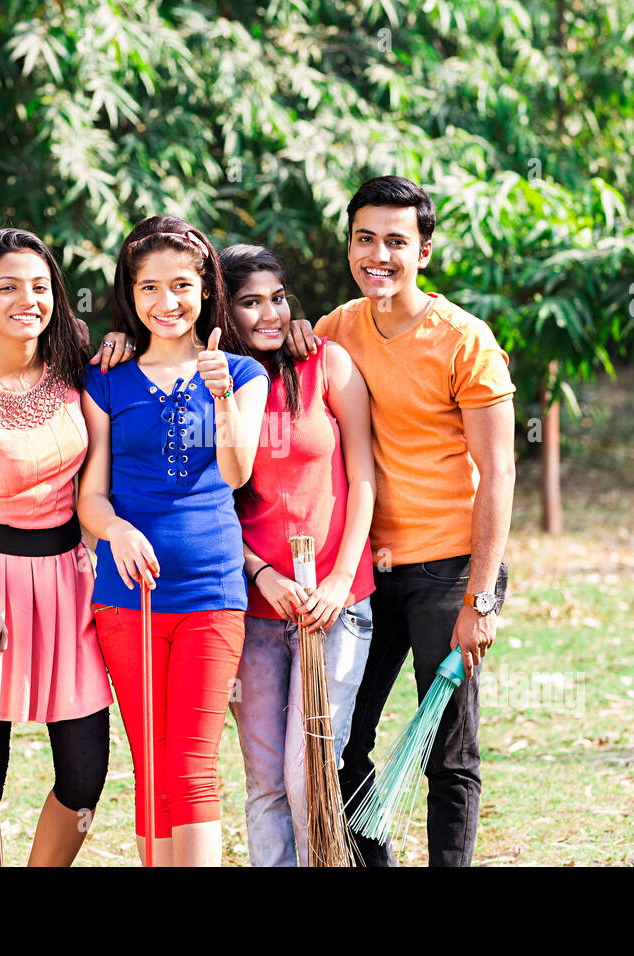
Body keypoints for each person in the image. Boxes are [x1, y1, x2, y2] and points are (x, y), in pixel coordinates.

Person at [285, 176, 516, 867]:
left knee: (447, 752)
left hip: (449, 571)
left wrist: (479, 600)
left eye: (395, 241)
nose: (377, 254)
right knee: (339, 740)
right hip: (361, 571)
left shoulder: (464, 341)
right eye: (364, 239)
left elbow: (499, 473)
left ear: (424, 251)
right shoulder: (335, 328)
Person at [78, 216, 270, 866]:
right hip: (124, 597)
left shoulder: (243, 374)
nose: (168, 303)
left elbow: (239, 471)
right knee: (152, 764)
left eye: (182, 285)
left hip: (212, 591)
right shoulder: (104, 380)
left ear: (206, 289)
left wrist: (220, 400)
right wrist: (117, 530)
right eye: (150, 288)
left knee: (191, 764)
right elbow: (90, 497)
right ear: (131, 297)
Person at [0, 227, 113, 867]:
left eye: (40, 286)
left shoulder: (77, 370)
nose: (27, 299)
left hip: (68, 581)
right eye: (7, 287)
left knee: (86, 772)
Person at [218, 244, 377, 867]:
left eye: (277, 299)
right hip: (252, 609)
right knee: (262, 781)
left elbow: (364, 477)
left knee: (308, 771)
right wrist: (260, 573)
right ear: (223, 311)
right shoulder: (212, 384)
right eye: (250, 302)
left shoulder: (327, 366)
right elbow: (210, 500)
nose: (269, 314)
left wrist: (340, 580)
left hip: (334, 605)